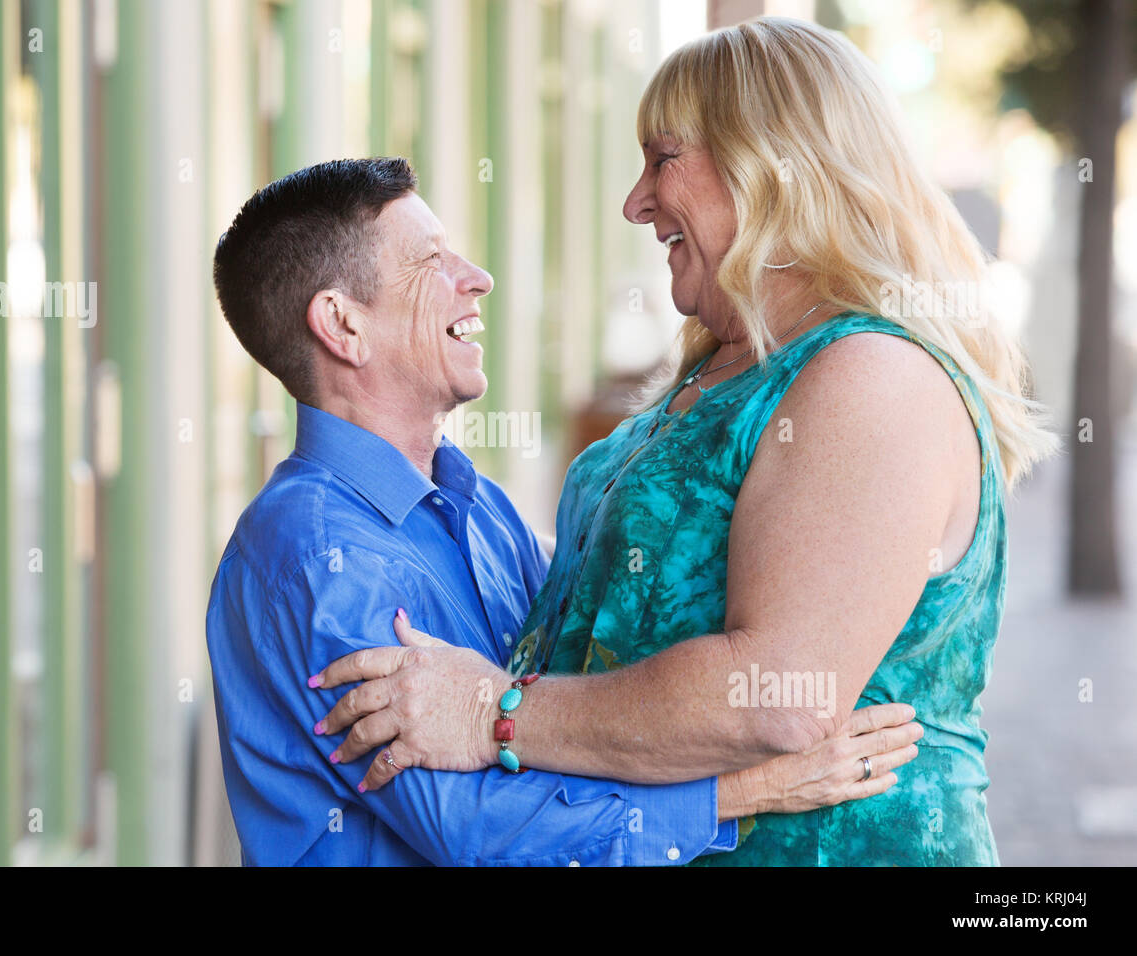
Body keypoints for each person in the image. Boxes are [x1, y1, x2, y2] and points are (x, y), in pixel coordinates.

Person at [313, 18, 1060, 866]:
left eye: (663, 158)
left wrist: (493, 712)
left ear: (776, 164)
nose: (636, 202)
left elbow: (780, 695)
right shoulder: (731, 368)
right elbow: (645, 577)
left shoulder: (872, 375)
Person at [206, 156, 921, 866]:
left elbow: (573, 688)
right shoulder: (316, 554)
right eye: (430, 261)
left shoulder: (478, 507)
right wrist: (746, 788)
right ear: (342, 325)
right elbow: (473, 826)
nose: (476, 277)